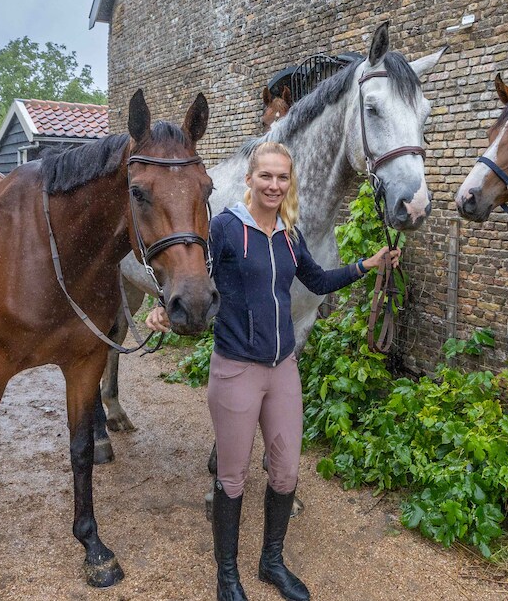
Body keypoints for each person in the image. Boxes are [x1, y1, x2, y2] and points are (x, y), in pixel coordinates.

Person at [144, 141, 398, 601]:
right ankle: (227, 577)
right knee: (232, 477)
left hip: (282, 372)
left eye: (283, 177)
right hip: (236, 369)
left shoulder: (289, 234)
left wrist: (367, 264)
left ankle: (271, 562)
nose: (275, 185)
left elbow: (318, 281)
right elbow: (190, 276)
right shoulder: (223, 228)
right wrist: (163, 308)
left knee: (284, 473)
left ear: (289, 182)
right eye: (266, 176)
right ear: (250, 179)